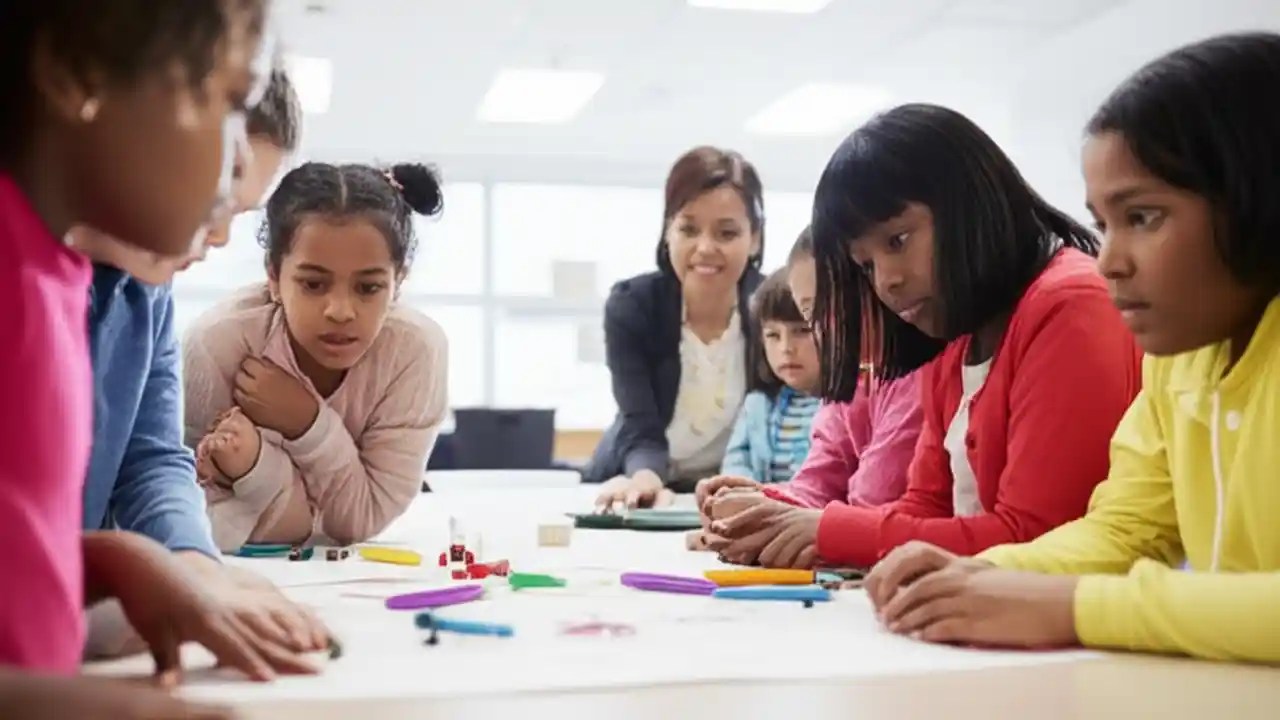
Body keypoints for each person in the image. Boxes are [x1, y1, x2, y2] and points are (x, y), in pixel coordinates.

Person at [865, 33, 1280, 664]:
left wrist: (1075, 607)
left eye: (1143, 217)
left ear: (1260, 198)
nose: (1109, 261)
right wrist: (983, 573)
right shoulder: (1181, 360)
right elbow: (1127, 531)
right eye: (1102, 224)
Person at [0, 1, 302, 716]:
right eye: (227, 100)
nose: (233, 172)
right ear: (75, 75)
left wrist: (110, 560)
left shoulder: (52, 275)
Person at [706, 104, 1141, 570]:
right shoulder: (955, 338)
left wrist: (828, 531)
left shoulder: (1070, 305)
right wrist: (778, 517)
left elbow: (1036, 538)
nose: (886, 281)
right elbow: (922, 511)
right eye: (866, 264)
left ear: (968, 202)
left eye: (897, 241)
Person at [71, 67, 329, 660]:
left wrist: (194, 565)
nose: (216, 236)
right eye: (218, 195)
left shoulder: (148, 293)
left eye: (238, 213)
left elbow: (150, 457)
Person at [184, 161, 449, 552]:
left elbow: (364, 518)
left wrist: (306, 423)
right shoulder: (216, 344)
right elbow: (189, 510)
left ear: (398, 284)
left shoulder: (415, 353)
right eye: (313, 284)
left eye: (369, 287)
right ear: (273, 276)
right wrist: (306, 509)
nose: (340, 310)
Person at [694, 230, 921, 560]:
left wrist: (802, 530)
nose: (819, 330)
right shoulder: (849, 386)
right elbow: (817, 484)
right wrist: (761, 505)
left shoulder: (917, 379)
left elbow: (875, 497)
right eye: (811, 314)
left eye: (822, 311)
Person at [588, 146, 767, 509]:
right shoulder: (633, 305)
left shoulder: (777, 312)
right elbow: (639, 425)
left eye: (726, 233)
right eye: (688, 228)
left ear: (755, 239)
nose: (705, 247)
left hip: (725, 499)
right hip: (633, 479)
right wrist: (646, 479)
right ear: (668, 231)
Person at [718, 265, 821, 484]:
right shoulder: (757, 405)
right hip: (761, 511)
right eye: (773, 335)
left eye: (802, 331)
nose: (786, 348)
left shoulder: (845, 406)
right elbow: (737, 461)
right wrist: (745, 490)